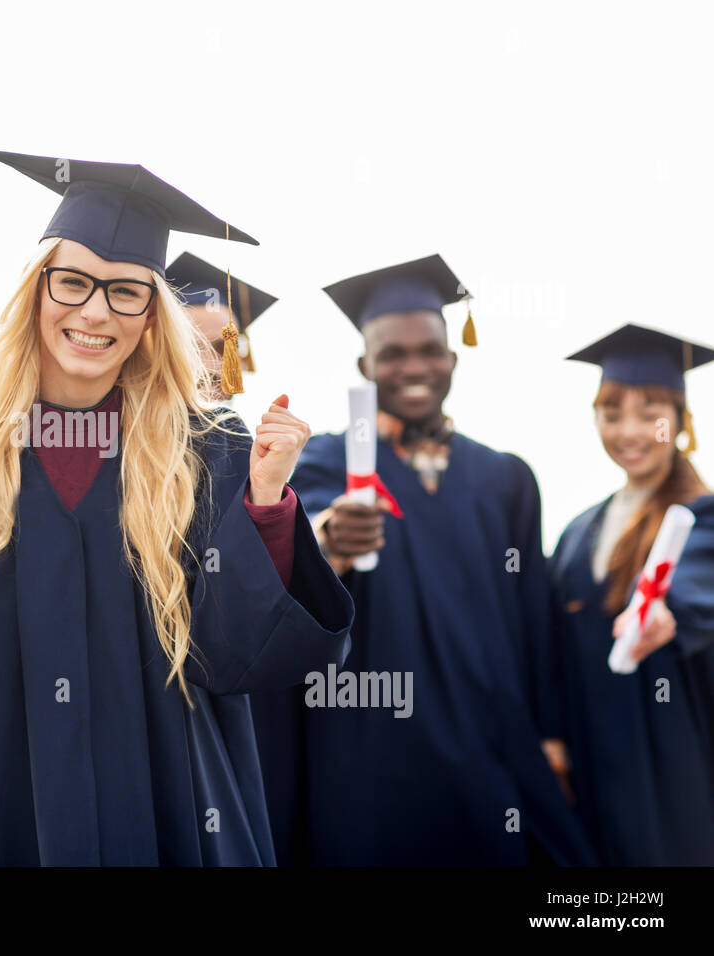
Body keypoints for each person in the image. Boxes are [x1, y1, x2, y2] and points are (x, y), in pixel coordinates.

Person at [0, 150, 354, 866]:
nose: (94, 311)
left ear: (152, 315)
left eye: (125, 292)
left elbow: (240, 658)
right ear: (35, 289)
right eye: (74, 283)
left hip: (171, 802)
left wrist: (267, 507)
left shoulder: (207, 448)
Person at [251, 254, 596, 865]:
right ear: (365, 366)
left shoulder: (505, 478)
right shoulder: (328, 463)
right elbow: (306, 530)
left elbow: (535, 621)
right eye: (392, 354)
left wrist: (552, 735)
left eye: (430, 350)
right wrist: (331, 540)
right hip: (375, 748)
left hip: (491, 737)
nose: (414, 367)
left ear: (452, 358)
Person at [550, 324, 714, 865]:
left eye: (652, 414)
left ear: (681, 421)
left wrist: (663, 618)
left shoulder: (703, 518)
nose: (630, 431)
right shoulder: (578, 531)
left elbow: (692, 591)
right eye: (612, 412)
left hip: (671, 759)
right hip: (591, 767)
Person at [164, 252, 276, 403]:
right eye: (192, 349)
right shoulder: (121, 421)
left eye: (224, 348)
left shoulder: (260, 425)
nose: (211, 367)